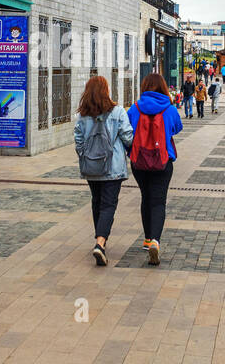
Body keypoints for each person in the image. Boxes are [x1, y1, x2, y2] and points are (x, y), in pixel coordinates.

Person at [74, 75, 133, 266]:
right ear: (106, 91)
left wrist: (86, 156)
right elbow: (128, 137)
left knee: (97, 202)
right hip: (112, 166)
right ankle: (100, 242)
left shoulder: (82, 115)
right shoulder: (117, 112)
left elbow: (78, 141)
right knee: (108, 204)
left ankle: (99, 240)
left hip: (92, 167)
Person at [128, 72, 183, 266]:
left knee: (146, 197)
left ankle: (147, 238)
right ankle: (156, 242)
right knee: (159, 201)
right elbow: (178, 127)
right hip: (162, 161)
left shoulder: (135, 108)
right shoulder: (169, 109)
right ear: (163, 87)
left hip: (139, 162)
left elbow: (127, 131)